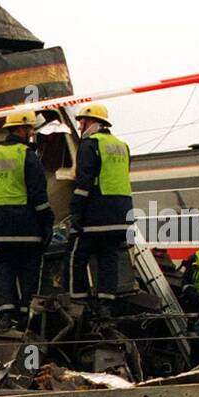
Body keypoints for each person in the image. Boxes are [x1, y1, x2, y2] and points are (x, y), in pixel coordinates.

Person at [0, 111, 52, 327]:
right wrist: (47, 223)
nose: (32, 133)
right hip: (26, 224)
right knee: (28, 268)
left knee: (5, 267)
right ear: (22, 129)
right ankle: (27, 317)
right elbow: (39, 195)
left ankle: (7, 316)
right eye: (31, 129)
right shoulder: (27, 156)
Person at [69, 104, 133, 316]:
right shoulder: (122, 146)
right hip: (121, 215)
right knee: (108, 260)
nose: (79, 127)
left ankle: (80, 303)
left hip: (96, 214)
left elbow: (85, 181)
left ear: (91, 122)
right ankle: (106, 305)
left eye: (81, 122)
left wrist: (76, 211)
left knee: (77, 255)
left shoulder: (89, 145)